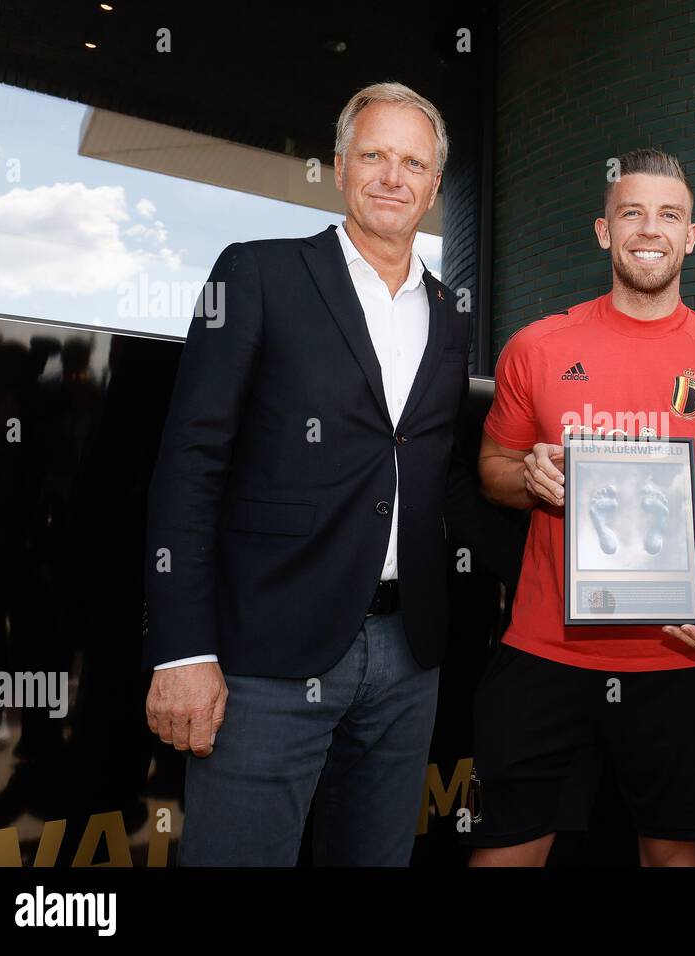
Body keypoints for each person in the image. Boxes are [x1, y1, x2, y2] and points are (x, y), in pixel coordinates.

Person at [143, 82, 480, 866]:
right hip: (265, 658)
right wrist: (182, 651)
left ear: (434, 186)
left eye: (413, 162)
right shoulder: (257, 274)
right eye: (374, 155)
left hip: (408, 656)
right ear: (338, 167)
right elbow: (189, 468)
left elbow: (433, 470)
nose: (393, 177)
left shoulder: (448, 311)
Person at [470, 148, 695, 866]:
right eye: (632, 213)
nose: (650, 229)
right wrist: (531, 475)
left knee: (676, 858)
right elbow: (492, 472)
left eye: (669, 215)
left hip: (677, 659)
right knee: (503, 855)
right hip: (543, 653)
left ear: (692, 236)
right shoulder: (537, 348)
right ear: (604, 232)